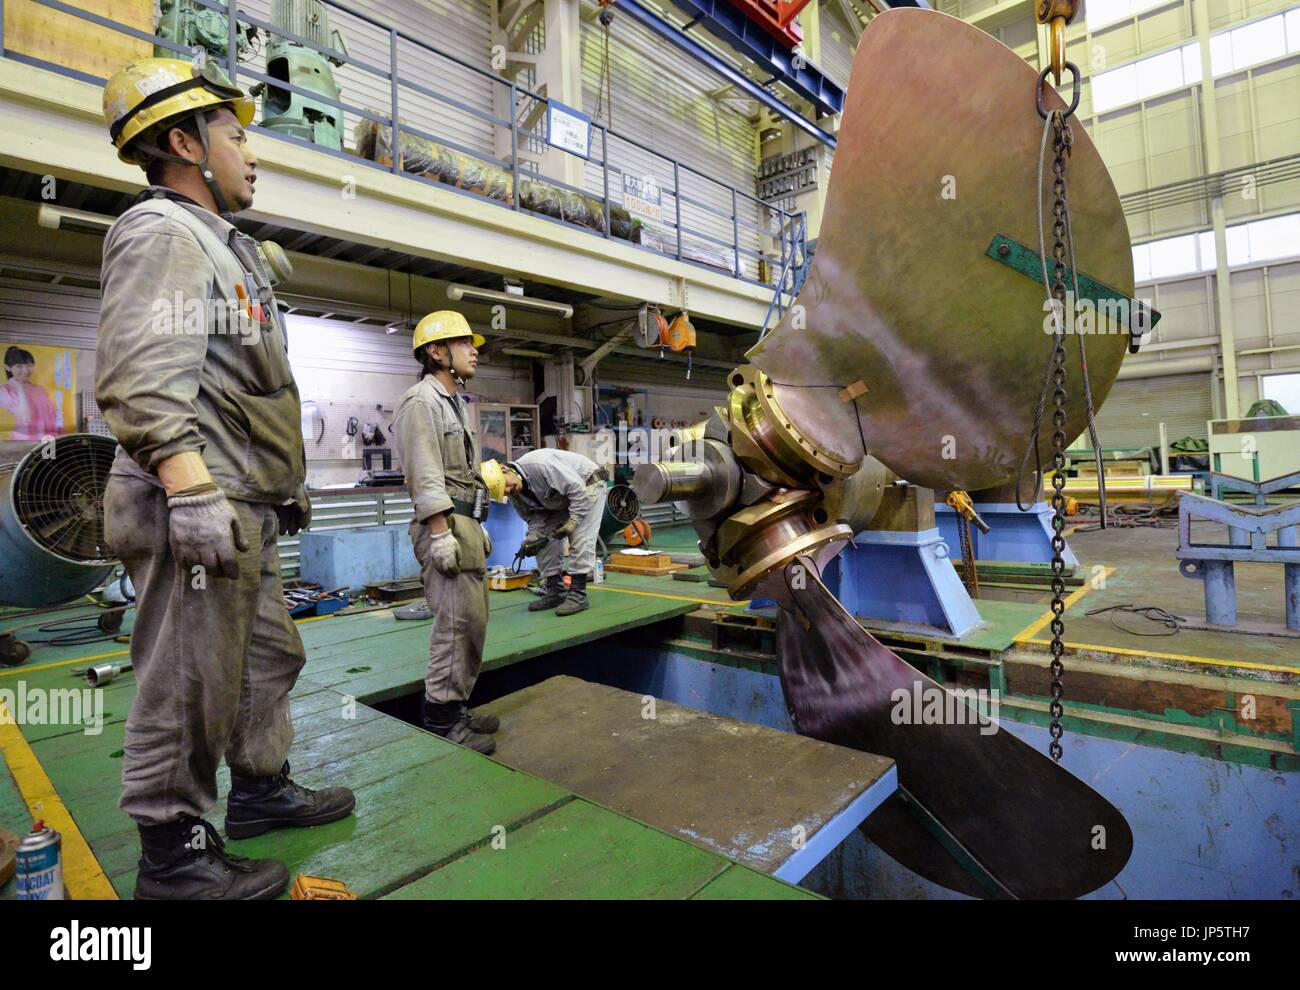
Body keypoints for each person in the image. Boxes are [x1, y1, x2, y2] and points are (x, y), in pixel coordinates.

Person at [96, 56, 355, 901]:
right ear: (184, 142)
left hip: (245, 506)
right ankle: (171, 854)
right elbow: (140, 379)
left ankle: (259, 791)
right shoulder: (164, 234)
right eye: (236, 135)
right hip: (198, 507)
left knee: (267, 659)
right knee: (188, 677)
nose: (253, 152)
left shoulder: (222, 246)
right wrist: (191, 487)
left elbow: (247, 388)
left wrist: (282, 486)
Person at [393, 310, 501, 756]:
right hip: (445, 526)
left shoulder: (453, 402)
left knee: (472, 623)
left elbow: (466, 474)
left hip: (463, 524)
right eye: (463, 343)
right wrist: (441, 533)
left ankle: (456, 706)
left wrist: (476, 524)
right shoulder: (421, 402)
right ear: (437, 351)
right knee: (454, 626)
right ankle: (441, 716)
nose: (474, 349)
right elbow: (425, 472)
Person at [499, 449, 609, 617]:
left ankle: (578, 594)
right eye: (502, 492)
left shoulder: (541, 465)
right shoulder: (514, 492)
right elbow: (535, 519)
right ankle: (555, 590)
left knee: (579, 535)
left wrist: (573, 521)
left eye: (504, 484)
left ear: (505, 469)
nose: (507, 490)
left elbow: (577, 492)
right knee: (542, 540)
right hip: (561, 497)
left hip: (588, 485)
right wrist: (532, 539)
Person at [1, 346, 60, 441]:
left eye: (29, 365)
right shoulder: (4, 390)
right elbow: (25, 418)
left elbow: (53, 417)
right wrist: (20, 389)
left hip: (47, 441)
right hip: (23, 443)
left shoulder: (40, 389)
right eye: (19, 366)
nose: (26, 370)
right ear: (7, 367)